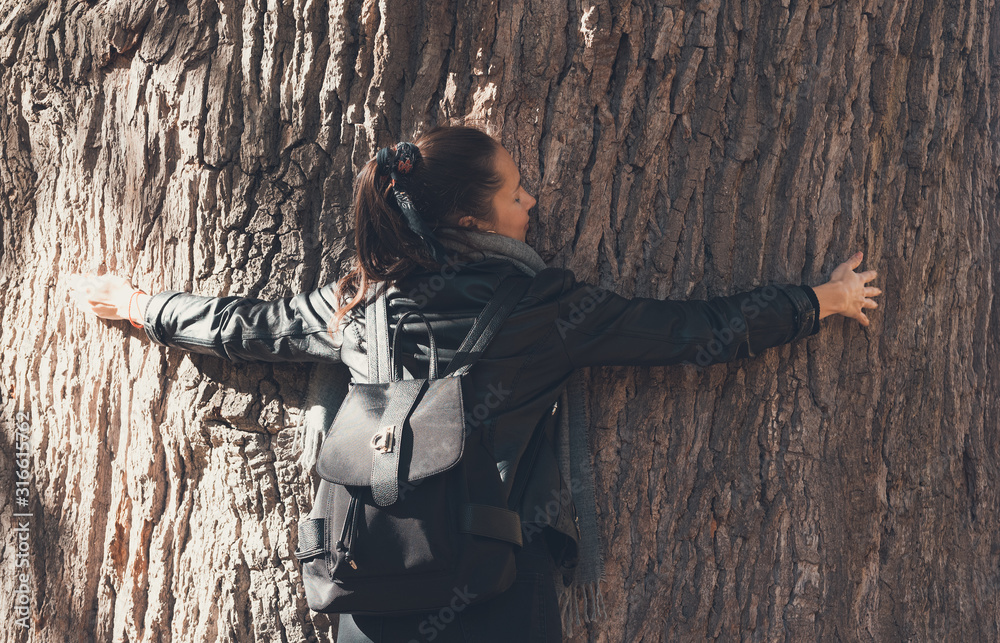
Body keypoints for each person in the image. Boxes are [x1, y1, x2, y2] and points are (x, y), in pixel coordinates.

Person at [69, 124, 881, 642]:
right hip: (493, 588)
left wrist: (142, 305)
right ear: (469, 218)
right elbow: (692, 332)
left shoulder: (358, 303)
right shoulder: (542, 307)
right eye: (516, 189)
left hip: (371, 590)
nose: (532, 199)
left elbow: (253, 326)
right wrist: (819, 300)